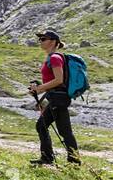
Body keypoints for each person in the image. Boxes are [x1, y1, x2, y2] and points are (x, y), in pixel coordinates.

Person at [28, 30, 80, 166]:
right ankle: (52, 158)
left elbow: (58, 80)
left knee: (62, 130)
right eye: (40, 39)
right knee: (44, 126)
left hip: (58, 99)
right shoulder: (52, 57)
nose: (40, 41)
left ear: (52, 41)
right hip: (57, 97)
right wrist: (38, 88)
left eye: (43, 39)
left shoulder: (55, 58)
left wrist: (39, 89)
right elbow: (54, 82)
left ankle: (71, 161)